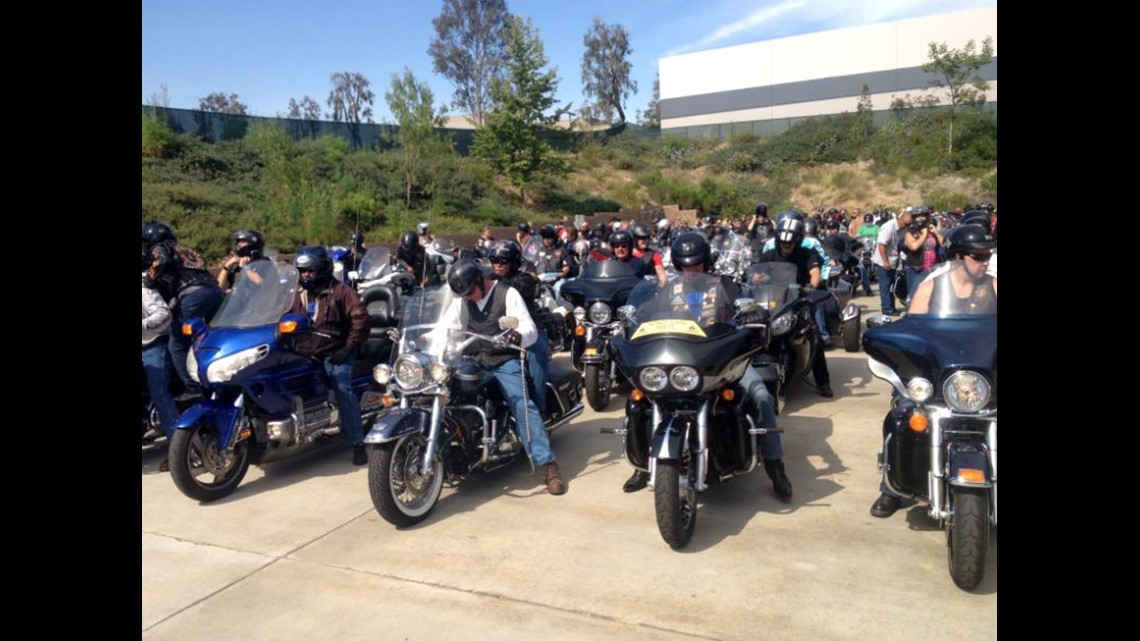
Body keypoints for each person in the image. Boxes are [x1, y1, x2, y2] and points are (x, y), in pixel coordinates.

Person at [622, 232, 792, 501]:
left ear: (705, 262)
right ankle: (644, 466)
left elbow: (749, 306)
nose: (691, 270)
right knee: (640, 400)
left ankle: (775, 467)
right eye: (686, 265)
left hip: (719, 359)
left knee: (760, 395)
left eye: (696, 264)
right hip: (679, 359)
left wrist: (756, 312)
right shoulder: (668, 290)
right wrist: (632, 318)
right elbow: (647, 313)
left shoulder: (725, 285)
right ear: (678, 265)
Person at [869, 224, 996, 518]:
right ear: (958, 257)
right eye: (978, 256)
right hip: (940, 373)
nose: (985, 261)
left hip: (981, 374)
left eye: (987, 254)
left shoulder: (994, 285)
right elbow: (911, 330)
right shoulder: (932, 286)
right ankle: (890, 489)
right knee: (903, 411)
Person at [441, 260, 567, 495]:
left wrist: (517, 337)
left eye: (470, 292)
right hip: (473, 359)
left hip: (502, 360)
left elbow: (528, 327)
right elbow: (446, 327)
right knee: (444, 391)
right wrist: (427, 339)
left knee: (522, 404)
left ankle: (548, 464)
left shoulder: (507, 294)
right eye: (464, 295)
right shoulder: (463, 300)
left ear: (480, 281)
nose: (467, 298)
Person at [289, 246, 370, 465]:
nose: (305, 275)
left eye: (310, 270)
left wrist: (347, 348)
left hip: (336, 351)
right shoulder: (296, 293)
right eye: (302, 270)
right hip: (305, 349)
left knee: (342, 389)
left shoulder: (341, 291)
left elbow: (361, 319)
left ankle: (357, 443)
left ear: (322, 269)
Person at [142, 222, 225, 397]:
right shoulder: (184, 249)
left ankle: (192, 389)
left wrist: (150, 279)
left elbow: (160, 260)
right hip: (215, 292)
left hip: (193, 296)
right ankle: (220, 377)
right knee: (209, 337)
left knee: (177, 345)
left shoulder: (160, 247)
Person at [757, 215, 834, 398]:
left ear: (797, 240)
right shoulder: (769, 253)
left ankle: (823, 382)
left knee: (813, 336)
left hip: (800, 300)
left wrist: (812, 286)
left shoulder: (807, 254)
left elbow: (815, 273)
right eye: (783, 242)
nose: (785, 246)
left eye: (789, 243)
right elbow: (757, 272)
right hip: (774, 300)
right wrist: (756, 278)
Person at [488, 240, 551, 414]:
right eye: (494, 260)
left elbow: (520, 289)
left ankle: (538, 411)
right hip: (495, 330)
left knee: (537, 354)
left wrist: (494, 280)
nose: (498, 265)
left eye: (503, 261)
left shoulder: (524, 279)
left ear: (514, 261)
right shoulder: (487, 282)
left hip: (528, 330)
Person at [142, 278, 180, 473]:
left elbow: (164, 315)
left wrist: (143, 325)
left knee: (159, 393)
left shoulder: (144, 290)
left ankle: (178, 452)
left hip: (153, 344)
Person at [900, 206, 944, 303]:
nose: (920, 218)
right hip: (916, 270)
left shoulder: (932, 231)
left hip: (933, 269)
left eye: (923, 216)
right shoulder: (910, 232)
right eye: (917, 216)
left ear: (927, 217)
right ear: (914, 218)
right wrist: (924, 234)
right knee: (914, 297)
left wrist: (936, 232)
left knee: (933, 297)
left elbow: (945, 244)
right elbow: (914, 247)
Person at [873, 210, 908, 316]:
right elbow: (881, 245)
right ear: (900, 220)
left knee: (892, 285)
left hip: (893, 259)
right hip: (884, 260)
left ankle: (891, 307)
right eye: (906, 224)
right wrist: (885, 261)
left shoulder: (903, 228)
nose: (906, 226)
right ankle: (887, 309)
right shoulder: (888, 227)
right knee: (886, 285)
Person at [631, 222, 668, 286]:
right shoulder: (627, 255)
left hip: (647, 289)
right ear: (635, 239)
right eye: (642, 238)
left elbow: (662, 276)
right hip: (628, 289)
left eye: (647, 238)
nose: (645, 241)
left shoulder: (654, 255)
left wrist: (659, 288)